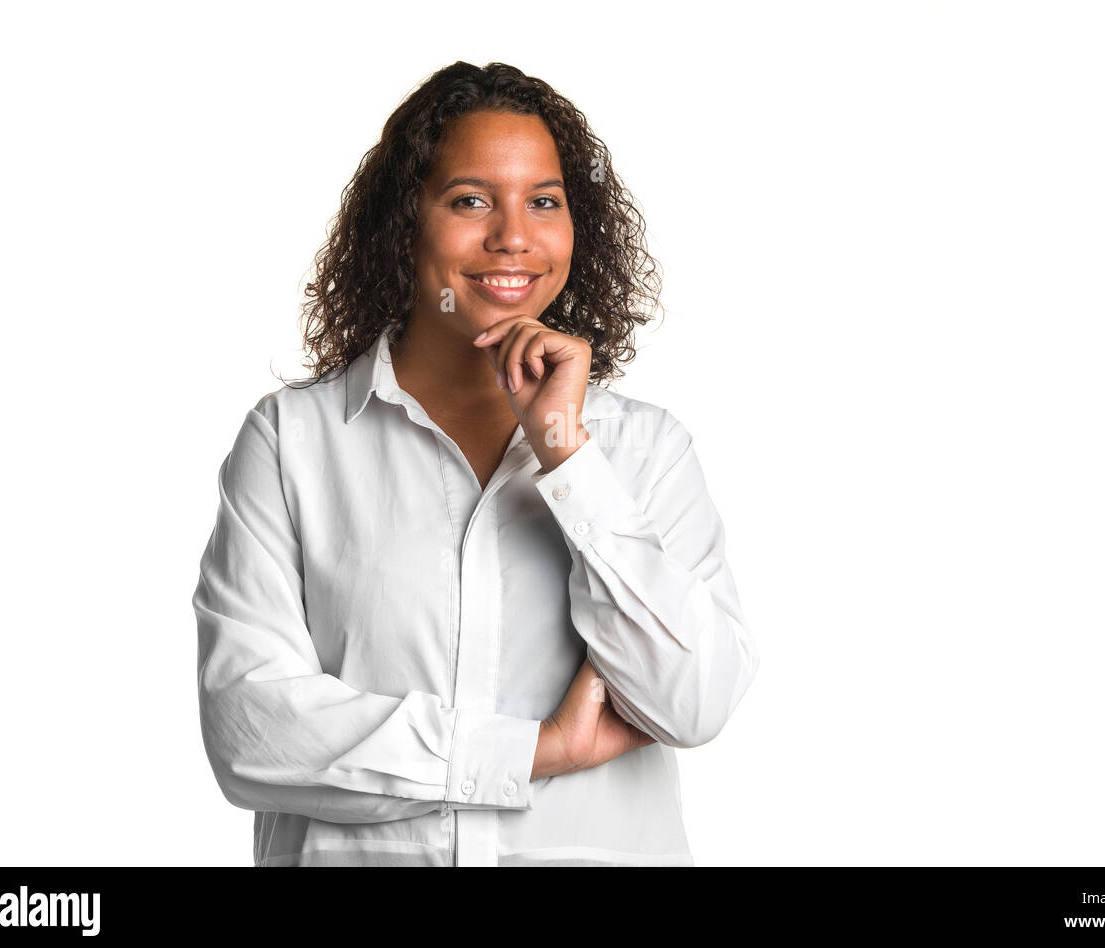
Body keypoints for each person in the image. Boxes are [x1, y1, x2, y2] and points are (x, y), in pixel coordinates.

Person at [192, 61, 760, 867]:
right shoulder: (293, 442)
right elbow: (252, 730)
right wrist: (533, 753)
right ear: (405, 223)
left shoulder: (645, 452)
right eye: (470, 200)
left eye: (544, 201)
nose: (513, 237)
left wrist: (568, 455)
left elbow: (694, 701)